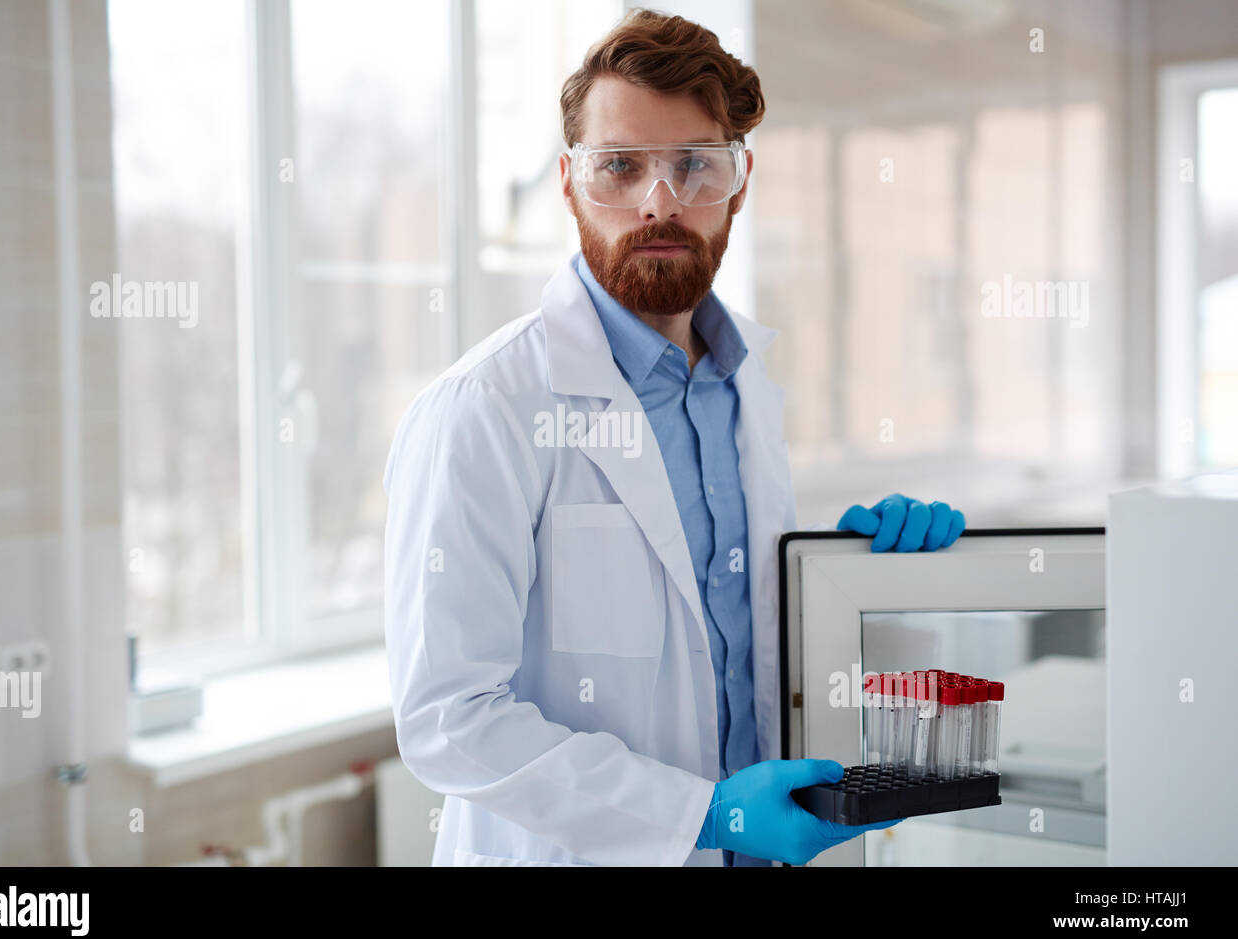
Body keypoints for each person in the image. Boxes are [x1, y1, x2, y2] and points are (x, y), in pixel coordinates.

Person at [383, 8, 965, 867]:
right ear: (570, 182)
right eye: (619, 165)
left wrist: (852, 588)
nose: (660, 201)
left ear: (740, 179)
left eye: (696, 164)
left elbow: (740, 665)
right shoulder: (484, 407)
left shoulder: (748, 391)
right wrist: (702, 817)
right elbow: (449, 719)